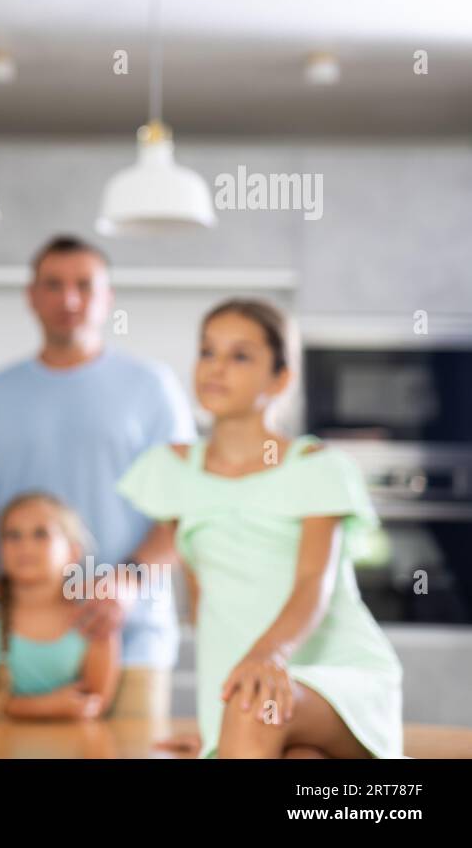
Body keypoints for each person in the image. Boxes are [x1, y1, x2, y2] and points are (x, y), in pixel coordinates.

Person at [117, 298, 404, 758]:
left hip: (336, 678)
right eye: (207, 352)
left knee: (259, 707)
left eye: (240, 355)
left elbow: (316, 582)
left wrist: (267, 658)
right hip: (252, 698)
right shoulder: (172, 470)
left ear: (281, 378)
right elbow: (204, 606)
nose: (216, 368)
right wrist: (218, 730)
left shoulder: (316, 468)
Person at [0, 235, 196, 722]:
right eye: (53, 285)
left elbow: (184, 511)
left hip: (131, 634)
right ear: (31, 296)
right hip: (16, 648)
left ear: (109, 298)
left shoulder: (153, 388)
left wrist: (127, 582)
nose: (68, 299)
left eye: (84, 286)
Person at [0, 492, 120, 721]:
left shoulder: (94, 618)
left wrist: (5, 707)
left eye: (41, 534)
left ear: (73, 552)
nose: (25, 545)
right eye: (13, 535)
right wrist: (44, 707)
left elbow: (94, 703)